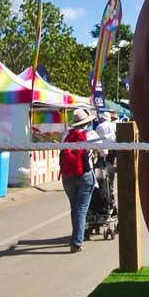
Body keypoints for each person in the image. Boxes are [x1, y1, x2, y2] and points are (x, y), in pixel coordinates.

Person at [60, 107, 99, 252]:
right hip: (84, 175)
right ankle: (76, 242)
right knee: (81, 209)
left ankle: (75, 237)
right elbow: (104, 151)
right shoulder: (91, 134)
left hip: (67, 175)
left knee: (74, 207)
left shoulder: (66, 135)